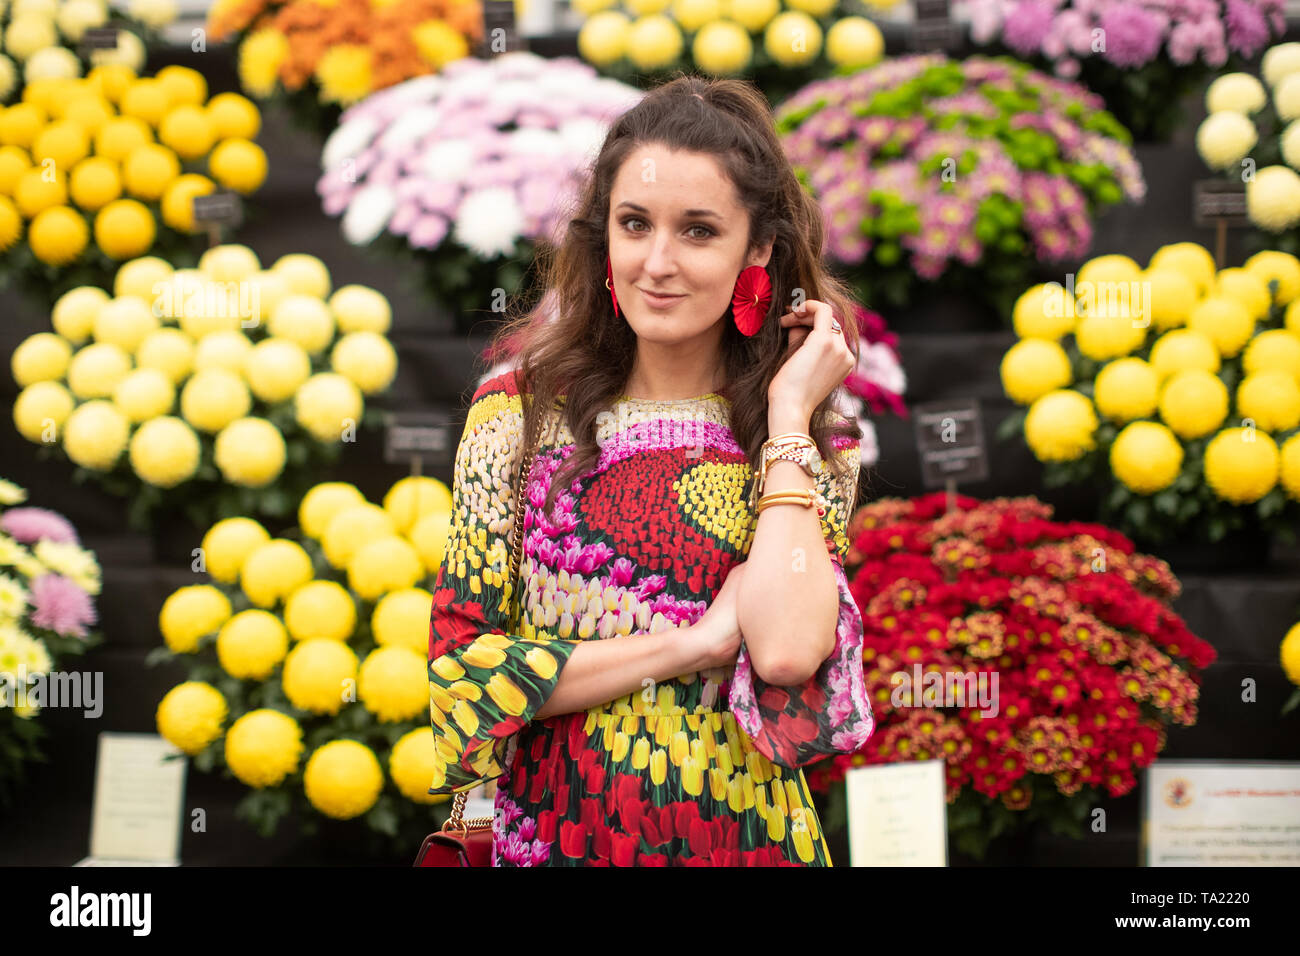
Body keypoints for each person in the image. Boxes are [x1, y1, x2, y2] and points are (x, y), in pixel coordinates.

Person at [426, 74, 876, 866]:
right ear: (605, 234)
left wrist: (786, 418)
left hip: (746, 843)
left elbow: (785, 655)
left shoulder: (803, 443)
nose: (657, 262)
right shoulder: (520, 416)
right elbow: (463, 677)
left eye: (699, 231)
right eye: (635, 224)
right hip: (557, 841)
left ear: (759, 247)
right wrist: (694, 644)